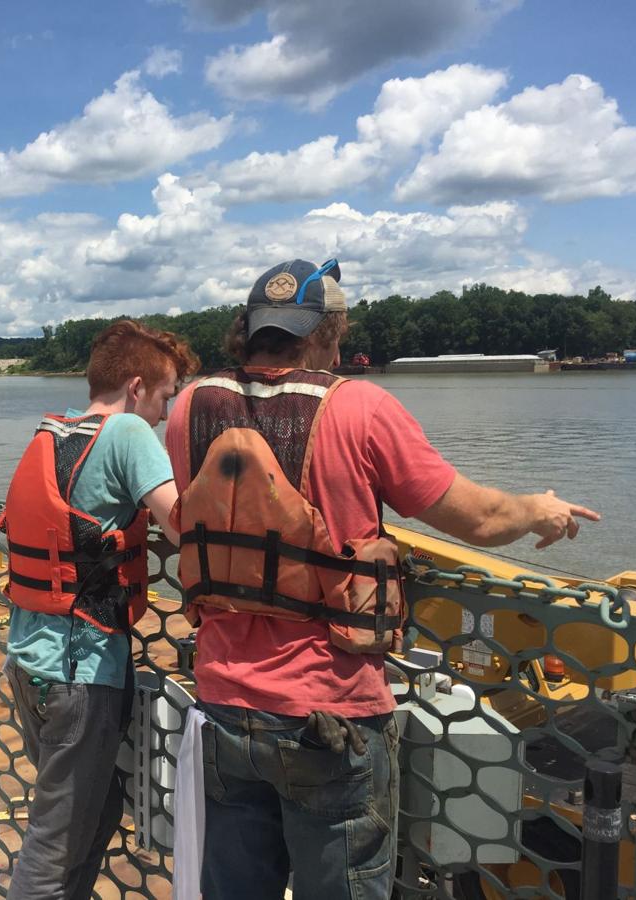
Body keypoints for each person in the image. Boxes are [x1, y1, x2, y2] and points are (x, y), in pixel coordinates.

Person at [164, 258, 600, 900]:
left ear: (251, 329)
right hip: (330, 711)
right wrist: (539, 508)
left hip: (223, 704)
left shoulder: (187, 408)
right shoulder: (361, 408)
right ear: (324, 335)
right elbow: (479, 519)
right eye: (337, 338)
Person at [0, 319, 199, 900]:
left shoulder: (55, 432)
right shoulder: (129, 434)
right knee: (54, 840)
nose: (164, 414)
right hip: (81, 674)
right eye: (165, 397)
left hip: (29, 665)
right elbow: (183, 524)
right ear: (137, 388)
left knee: (99, 805)